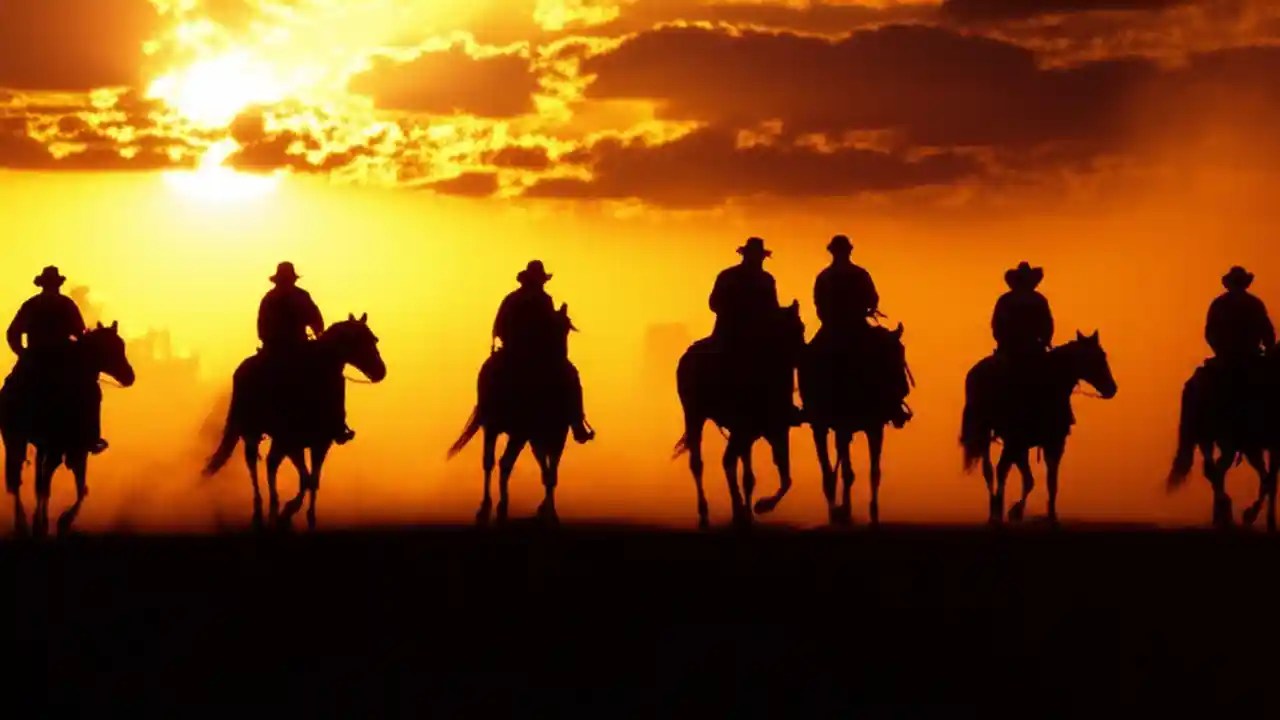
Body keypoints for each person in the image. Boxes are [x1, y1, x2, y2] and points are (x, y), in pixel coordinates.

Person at [6, 266, 107, 453]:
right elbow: (80, 335)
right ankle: (91, 438)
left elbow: (13, 333)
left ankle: (11, 425)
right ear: (57, 284)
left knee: (11, 392)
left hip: (34, 360)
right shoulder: (67, 305)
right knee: (91, 393)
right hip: (62, 362)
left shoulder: (31, 304)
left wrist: (23, 353)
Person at [492, 260, 594, 444]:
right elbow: (548, 330)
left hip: (510, 353)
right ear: (540, 280)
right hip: (536, 356)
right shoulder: (543, 300)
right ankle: (577, 425)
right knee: (571, 377)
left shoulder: (511, 298)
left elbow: (498, 327)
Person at [812, 235, 909, 427]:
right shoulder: (859, 274)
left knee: (810, 357)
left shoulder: (825, 276)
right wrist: (865, 309)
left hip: (832, 328)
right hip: (855, 326)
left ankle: (812, 404)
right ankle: (893, 402)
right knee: (890, 349)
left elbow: (818, 303)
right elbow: (872, 298)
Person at [257, 262, 354, 445]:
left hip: (284, 348)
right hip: (290, 348)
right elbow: (316, 321)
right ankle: (337, 425)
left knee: (332, 377)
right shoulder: (297, 296)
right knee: (332, 380)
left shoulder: (273, 298)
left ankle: (335, 423)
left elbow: (262, 328)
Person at [709, 237, 801, 424]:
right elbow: (714, 303)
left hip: (759, 333)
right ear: (747, 256)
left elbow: (772, 307)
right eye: (756, 256)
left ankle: (785, 403)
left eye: (760, 257)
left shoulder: (766, 279)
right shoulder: (728, 277)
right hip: (731, 332)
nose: (758, 260)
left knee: (787, 357)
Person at [1205, 266, 1275, 364]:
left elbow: (1210, 332)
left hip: (1238, 357)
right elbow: (1267, 332)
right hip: (1239, 357)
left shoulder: (1219, 304)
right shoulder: (1254, 303)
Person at [992, 261, 1054, 360]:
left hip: (1031, 347)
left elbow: (997, 325)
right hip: (1012, 348)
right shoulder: (1038, 299)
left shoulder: (1006, 300)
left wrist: (1045, 340)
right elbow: (1048, 324)